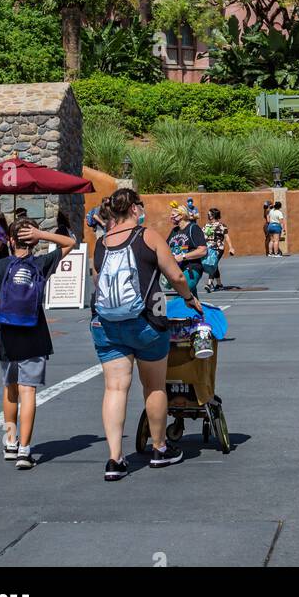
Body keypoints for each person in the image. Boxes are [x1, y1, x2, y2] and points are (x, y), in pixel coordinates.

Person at [90, 190, 203, 481]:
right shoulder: (147, 236)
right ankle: (159, 448)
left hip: (108, 324)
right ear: (133, 208)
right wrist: (189, 298)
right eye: (140, 205)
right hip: (147, 323)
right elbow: (176, 276)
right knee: (154, 387)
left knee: (115, 389)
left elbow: (96, 278)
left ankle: (115, 460)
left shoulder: (101, 243)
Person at [0, 218, 76, 469]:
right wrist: (42, 234)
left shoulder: (3, 265)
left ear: (11, 241)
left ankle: (10, 441)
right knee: (28, 393)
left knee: (10, 390)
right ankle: (25, 451)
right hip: (34, 333)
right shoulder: (42, 263)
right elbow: (71, 242)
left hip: (7, 334)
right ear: (33, 241)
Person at [167, 206, 208, 295]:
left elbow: (203, 250)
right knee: (192, 302)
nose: (171, 217)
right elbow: (166, 248)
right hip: (178, 271)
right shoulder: (174, 231)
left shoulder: (193, 228)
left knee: (180, 297)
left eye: (173, 215)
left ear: (181, 215)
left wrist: (183, 257)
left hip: (191, 269)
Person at [203, 208, 234, 292]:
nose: (208, 215)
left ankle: (209, 283)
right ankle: (219, 285)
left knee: (212, 263)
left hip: (218, 248)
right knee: (214, 265)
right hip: (208, 248)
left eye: (209, 214)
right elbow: (202, 236)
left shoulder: (222, 225)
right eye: (208, 214)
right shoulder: (206, 225)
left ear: (214, 215)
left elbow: (227, 237)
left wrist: (231, 247)